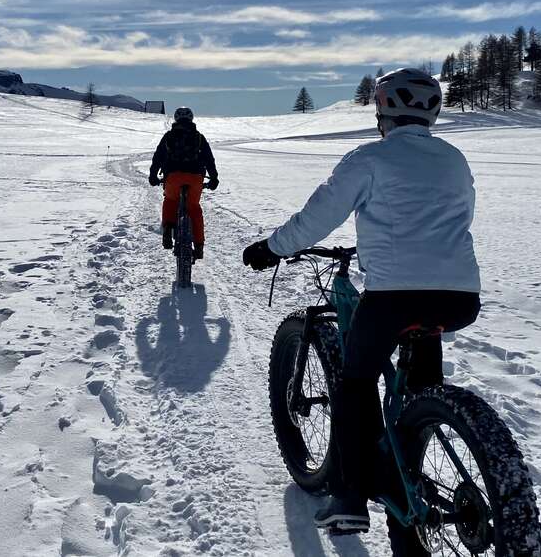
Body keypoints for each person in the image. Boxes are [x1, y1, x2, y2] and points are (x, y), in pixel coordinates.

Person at [242, 68, 481, 553]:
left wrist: (272, 247)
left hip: (393, 296)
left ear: (382, 112)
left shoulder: (369, 158)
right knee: (419, 390)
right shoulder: (455, 159)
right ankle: (414, 451)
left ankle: (349, 496)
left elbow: (318, 216)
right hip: (458, 297)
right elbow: (454, 217)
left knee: (356, 380)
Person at [149, 107, 219, 259]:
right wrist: (214, 178)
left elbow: (158, 157)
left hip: (173, 177)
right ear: (191, 119)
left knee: (170, 200)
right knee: (194, 208)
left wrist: (153, 175)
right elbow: (209, 159)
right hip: (195, 178)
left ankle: (168, 230)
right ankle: (199, 247)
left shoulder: (168, 136)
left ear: (176, 119)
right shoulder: (199, 137)